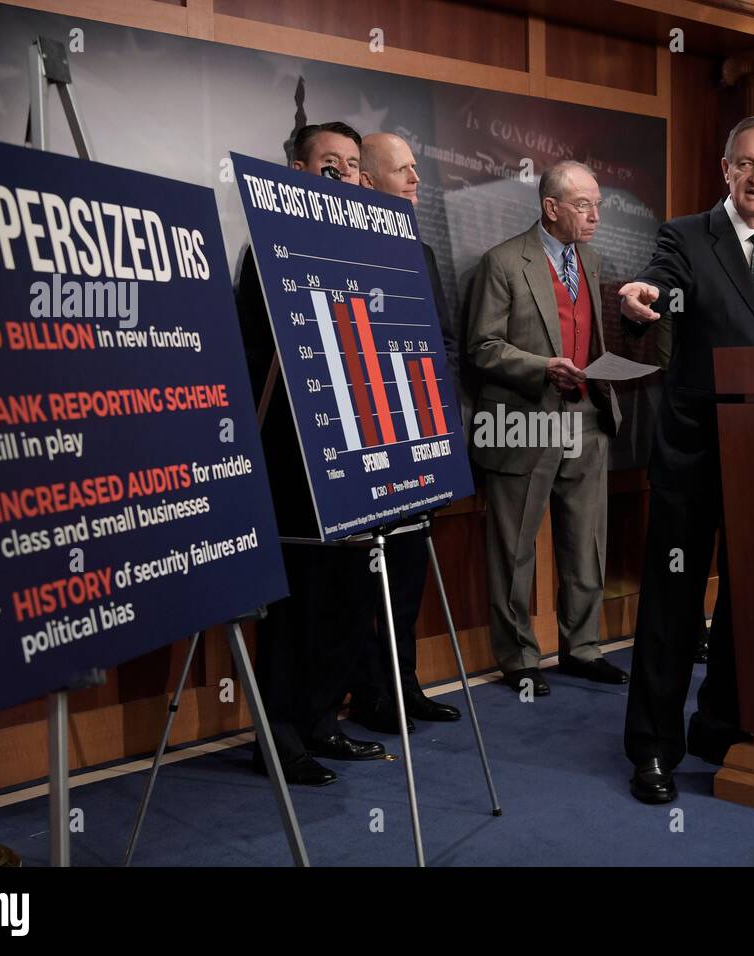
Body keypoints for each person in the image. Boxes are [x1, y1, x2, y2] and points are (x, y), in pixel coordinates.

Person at [618, 115, 754, 804]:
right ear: (726, 168)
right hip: (694, 457)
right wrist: (640, 298)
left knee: (752, 602)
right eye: (747, 163)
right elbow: (657, 284)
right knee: (673, 607)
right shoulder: (685, 237)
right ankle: (653, 748)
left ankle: (720, 724)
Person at [235, 121, 384, 786]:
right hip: (290, 458)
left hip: (360, 451)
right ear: (296, 170)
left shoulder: (373, 248)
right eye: (330, 163)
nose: (343, 176)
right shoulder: (265, 245)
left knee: (348, 595)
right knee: (294, 603)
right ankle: (282, 734)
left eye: (352, 166)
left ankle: (324, 718)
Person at [465, 160, 626, 697]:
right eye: (583, 205)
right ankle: (518, 658)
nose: (595, 215)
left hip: (587, 419)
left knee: (586, 543)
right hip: (522, 421)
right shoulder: (504, 262)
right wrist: (542, 367)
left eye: (598, 205)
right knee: (514, 549)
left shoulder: (594, 261)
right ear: (551, 208)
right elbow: (482, 347)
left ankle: (582, 649)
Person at [346, 132, 462, 732]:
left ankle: (403, 684)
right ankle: (369, 695)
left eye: (418, 168)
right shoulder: (331, 248)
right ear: (367, 182)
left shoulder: (420, 251)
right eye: (405, 170)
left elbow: (444, 342)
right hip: (362, 441)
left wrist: (433, 410)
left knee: (409, 571)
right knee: (365, 579)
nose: (417, 180)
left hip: (419, 437)